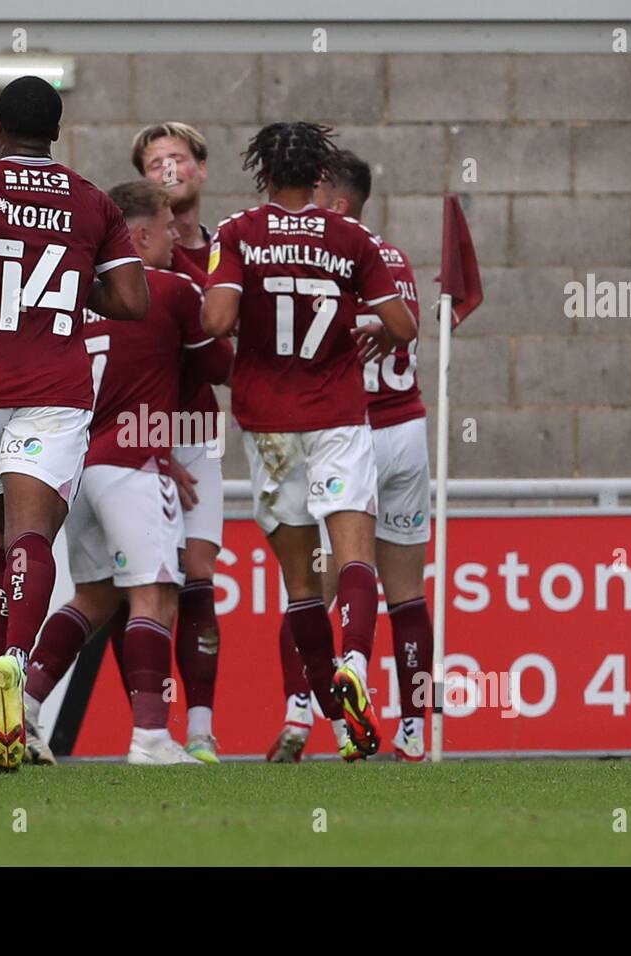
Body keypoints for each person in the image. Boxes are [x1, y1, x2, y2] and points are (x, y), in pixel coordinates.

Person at [0, 76, 148, 772]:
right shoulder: (90, 199)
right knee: (31, 535)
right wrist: (75, 287)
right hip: (54, 389)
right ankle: (15, 661)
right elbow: (132, 300)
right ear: (58, 132)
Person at [200, 122, 417, 762]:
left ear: (261, 171)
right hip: (340, 415)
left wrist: (245, 308)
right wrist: (370, 323)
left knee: (300, 584)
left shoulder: (238, 232)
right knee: (353, 555)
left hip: (269, 422)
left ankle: (329, 709)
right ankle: (354, 664)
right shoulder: (352, 238)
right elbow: (404, 323)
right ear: (319, 175)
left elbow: (215, 320)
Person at [21, 180, 232, 766]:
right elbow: (218, 364)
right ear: (139, 234)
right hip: (133, 462)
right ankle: (150, 738)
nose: (175, 238)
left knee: (92, 597)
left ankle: (25, 708)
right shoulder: (167, 289)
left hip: (75, 467)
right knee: (156, 593)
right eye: (168, 228)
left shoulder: (71, 295)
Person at [269, 149, 433, 763]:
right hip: (408, 432)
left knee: (313, 587)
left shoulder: (330, 256)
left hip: (349, 435)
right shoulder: (395, 257)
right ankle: (415, 731)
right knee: (407, 591)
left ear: (335, 202)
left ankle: (300, 713)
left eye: (314, 197)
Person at [131, 121, 230, 761]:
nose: (168, 170)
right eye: (154, 162)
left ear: (200, 168)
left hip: (196, 432)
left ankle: (200, 731)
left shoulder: (226, 248)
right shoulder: (135, 257)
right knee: (133, 586)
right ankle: (147, 727)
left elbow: (224, 352)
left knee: (196, 577)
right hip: (134, 435)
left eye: (177, 159)